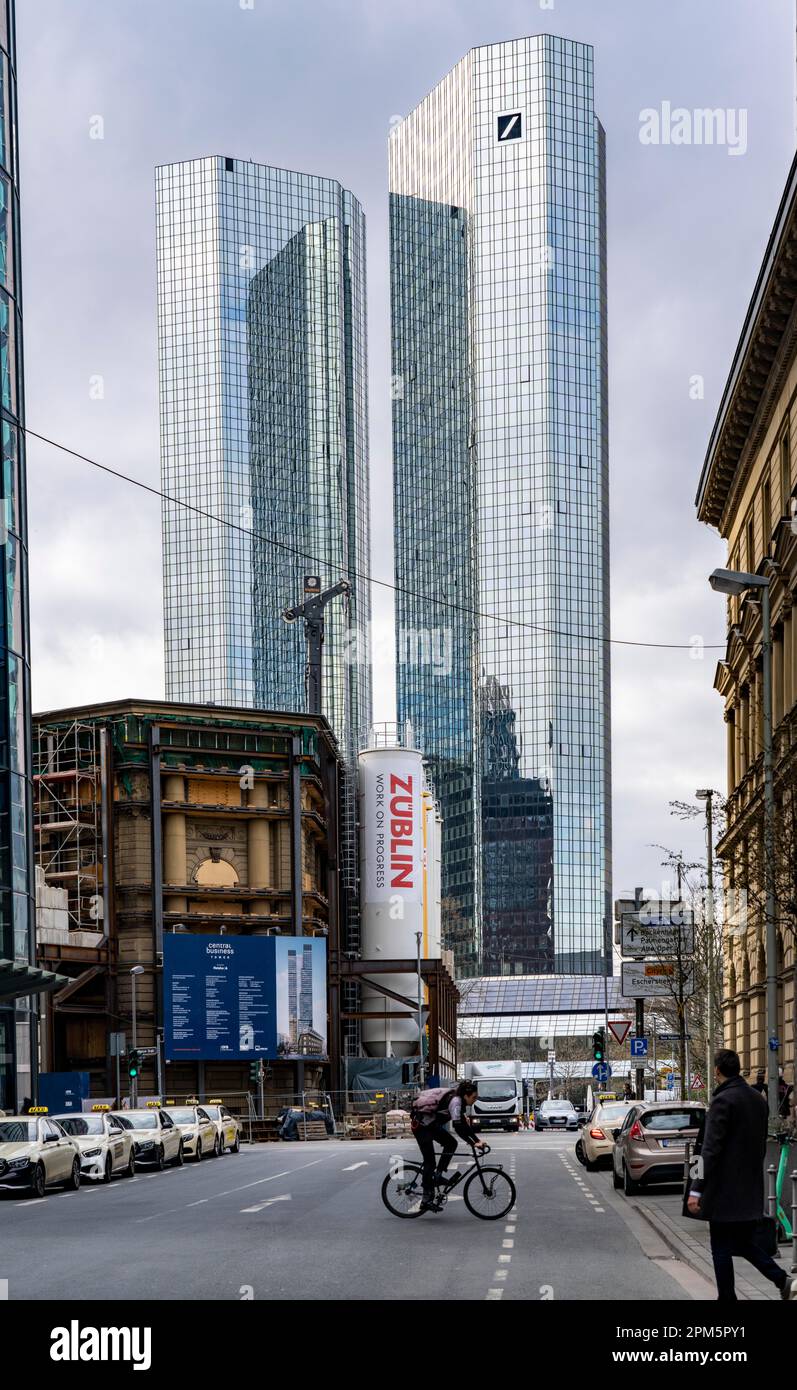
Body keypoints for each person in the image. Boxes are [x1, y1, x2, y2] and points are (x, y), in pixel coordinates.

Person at [687, 1048, 796, 1301]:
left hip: (723, 1190)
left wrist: (696, 1188)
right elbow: (759, 1145)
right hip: (749, 1187)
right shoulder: (757, 1100)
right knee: (742, 1243)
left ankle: (727, 1298)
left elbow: (709, 1149)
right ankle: (783, 1280)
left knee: (721, 1247)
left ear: (717, 1071)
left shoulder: (722, 1101)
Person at [413, 1080, 485, 1212]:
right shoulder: (456, 1102)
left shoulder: (459, 1102)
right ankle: (426, 1199)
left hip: (431, 1125)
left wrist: (477, 1140)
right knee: (430, 1162)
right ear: (466, 1096)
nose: (475, 1100)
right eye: (474, 1097)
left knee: (452, 1143)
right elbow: (458, 1128)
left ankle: (438, 1175)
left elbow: (464, 1125)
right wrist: (473, 1143)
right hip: (421, 1127)